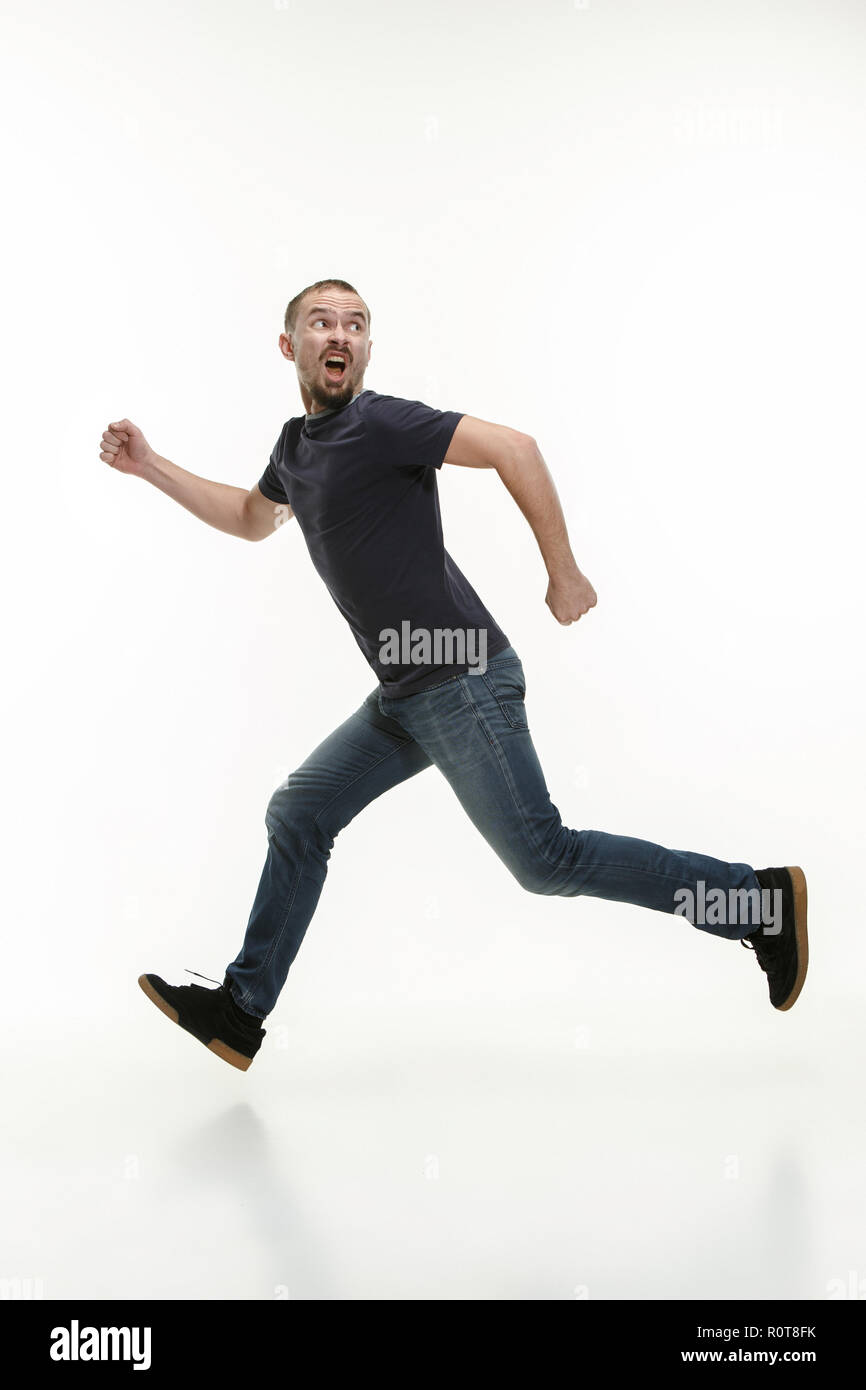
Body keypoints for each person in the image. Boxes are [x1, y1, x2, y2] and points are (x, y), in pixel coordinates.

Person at [100, 278, 808, 1072]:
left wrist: (563, 572)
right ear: (288, 344)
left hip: (461, 678)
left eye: (357, 324)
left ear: (367, 348)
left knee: (547, 860)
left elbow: (516, 449)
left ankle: (757, 903)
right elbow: (249, 519)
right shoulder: (296, 449)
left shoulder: (381, 422)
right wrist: (150, 465)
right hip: (406, 692)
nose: (341, 333)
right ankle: (240, 1010)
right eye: (322, 322)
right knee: (300, 813)